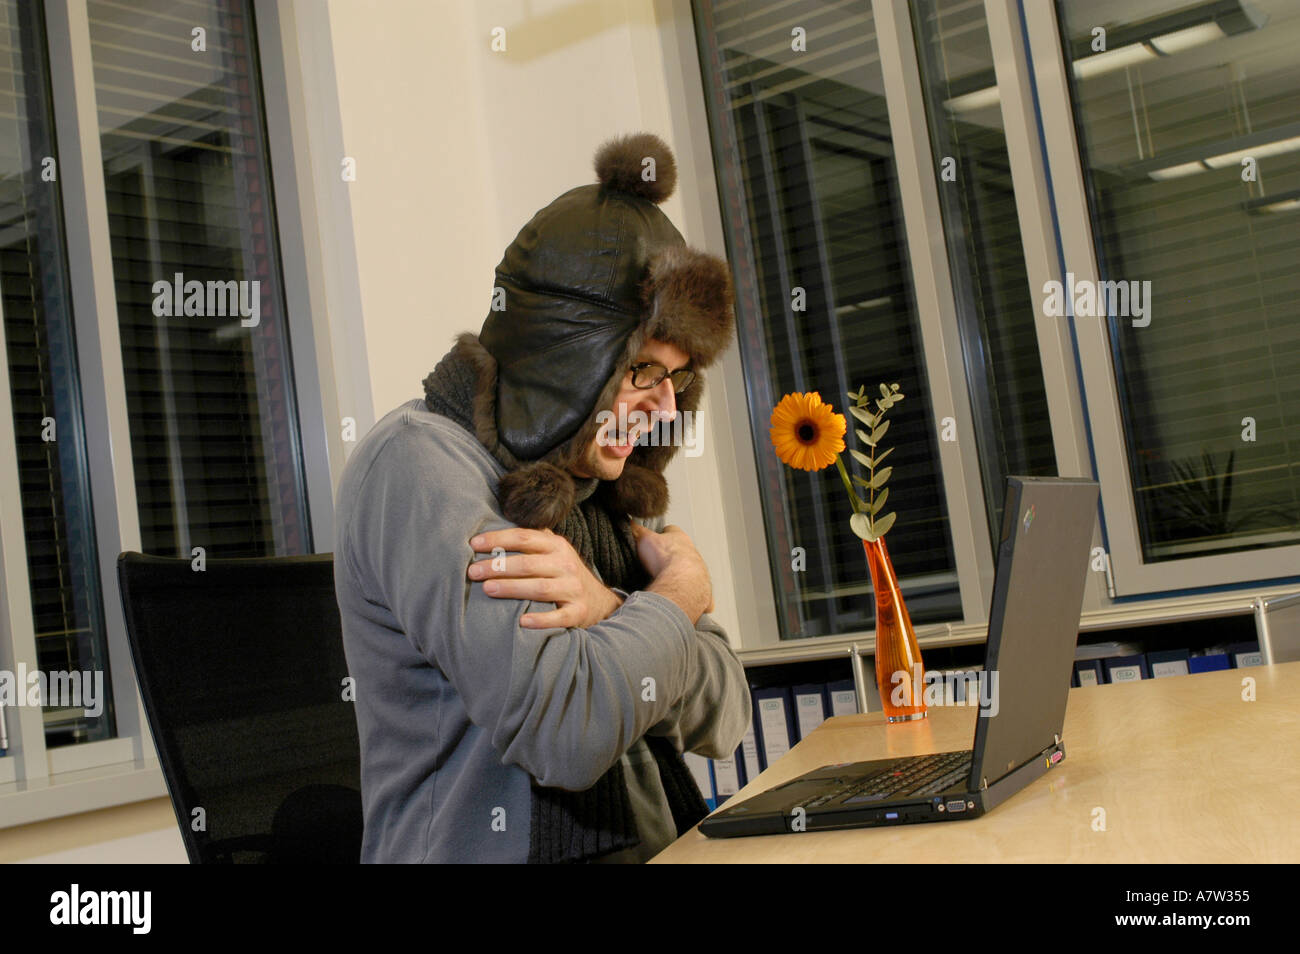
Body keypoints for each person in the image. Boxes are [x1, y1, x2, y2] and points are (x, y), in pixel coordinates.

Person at [335, 132, 752, 863]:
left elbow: (728, 711)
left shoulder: (598, 483)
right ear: (571, 355)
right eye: (643, 370)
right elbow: (568, 727)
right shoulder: (419, 466)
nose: (661, 408)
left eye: (677, 381)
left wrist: (617, 611)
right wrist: (680, 594)